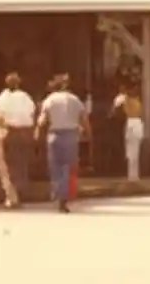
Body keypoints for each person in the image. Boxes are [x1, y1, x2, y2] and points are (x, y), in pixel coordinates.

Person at [36, 74, 91, 213]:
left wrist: (37, 131)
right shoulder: (75, 100)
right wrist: (88, 133)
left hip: (54, 134)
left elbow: (42, 121)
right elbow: (84, 119)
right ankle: (64, 197)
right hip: (71, 136)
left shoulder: (50, 100)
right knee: (68, 167)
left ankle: (57, 192)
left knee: (55, 166)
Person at [0, 72, 36, 204]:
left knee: (10, 163)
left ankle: (13, 194)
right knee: (22, 162)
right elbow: (32, 111)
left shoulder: (4, 97)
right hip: (25, 131)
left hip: (11, 130)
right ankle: (21, 191)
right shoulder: (25, 97)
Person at [114, 84, 145, 182]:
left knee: (134, 152)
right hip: (133, 123)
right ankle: (132, 175)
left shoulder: (132, 101)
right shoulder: (128, 99)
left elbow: (116, 104)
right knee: (132, 152)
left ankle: (133, 175)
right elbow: (117, 103)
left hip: (135, 123)